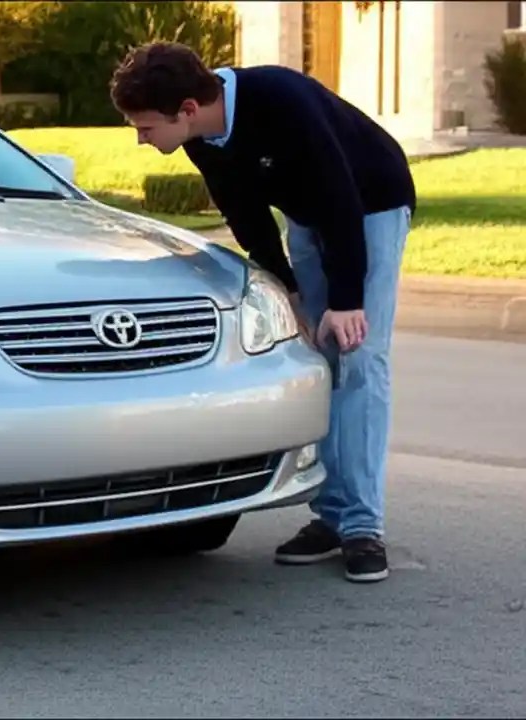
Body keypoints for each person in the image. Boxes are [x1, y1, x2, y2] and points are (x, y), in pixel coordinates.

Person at [108, 41, 416, 583]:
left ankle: (363, 526)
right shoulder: (202, 138)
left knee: (359, 357)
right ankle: (331, 515)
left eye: (146, 127)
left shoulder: (280, 98)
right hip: (308, 213)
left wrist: (346, 300)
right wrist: (289, 288)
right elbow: (246, 215)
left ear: (186, 109)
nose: (141, 138)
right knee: (318, 363)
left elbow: (341, 196)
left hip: (370, 204)